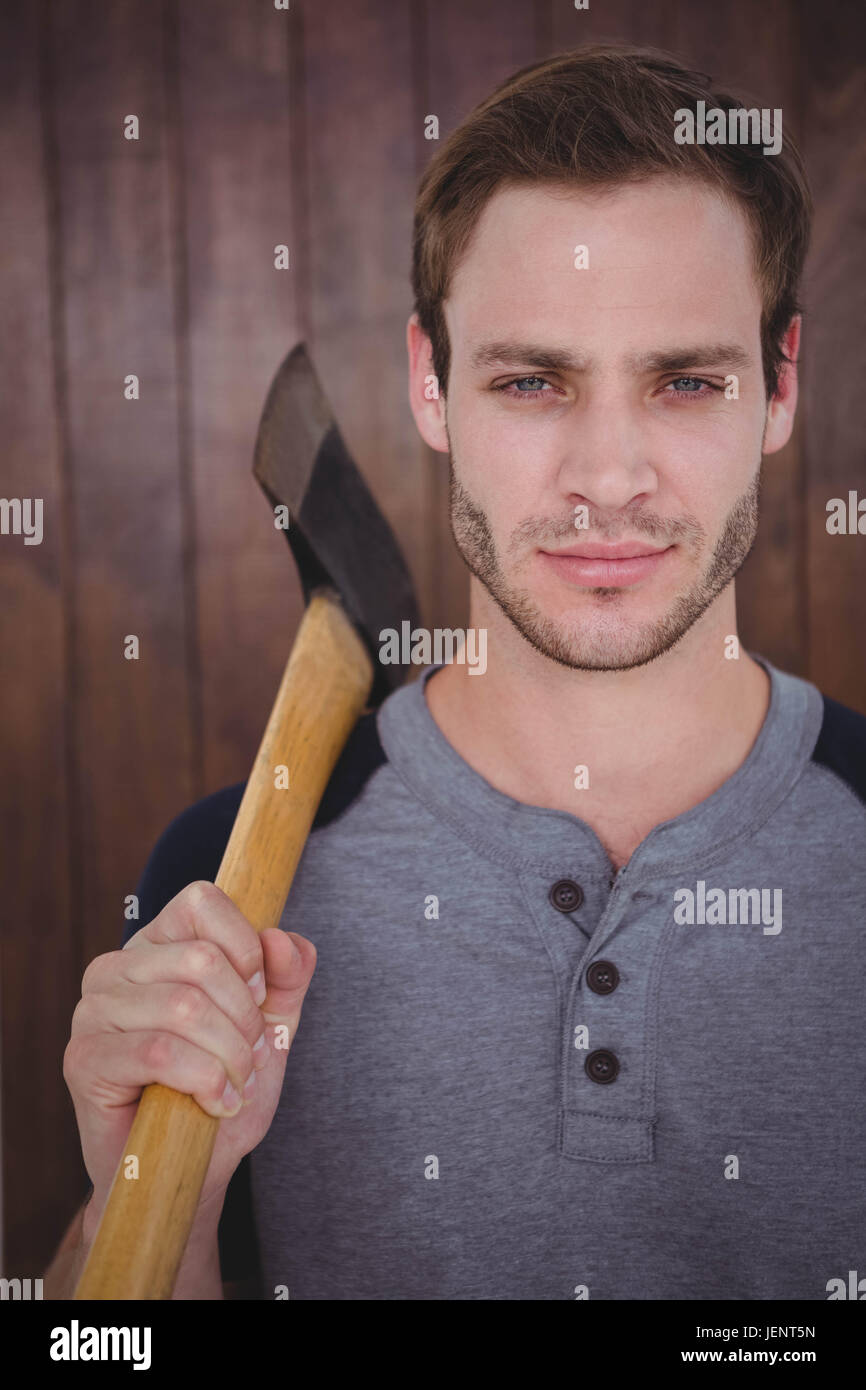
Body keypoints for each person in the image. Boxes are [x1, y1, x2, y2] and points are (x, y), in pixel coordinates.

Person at [48, 43, 866, 1301]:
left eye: (684, 380)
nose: (607, 478)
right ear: (431, 385)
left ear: (779, 387)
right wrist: (156, 1202)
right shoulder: (223, 898)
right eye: (531, 381)